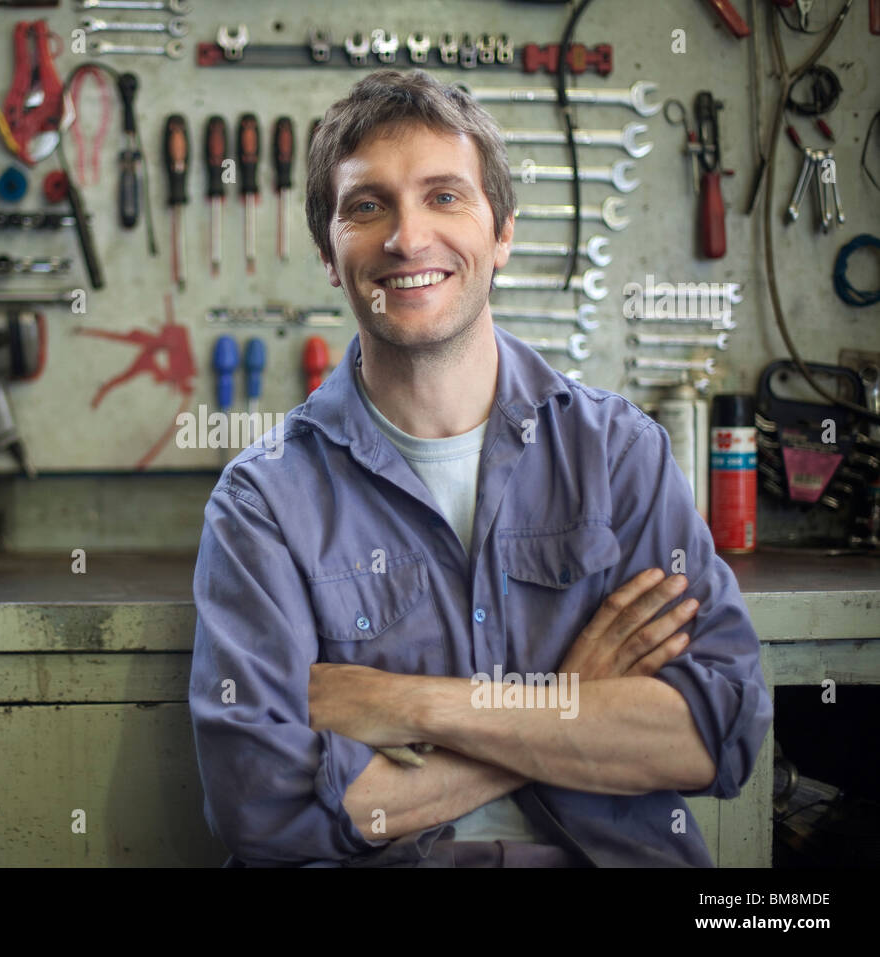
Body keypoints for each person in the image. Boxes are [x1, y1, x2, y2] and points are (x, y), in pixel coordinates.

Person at [188, 70, 772, 868]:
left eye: (445, 196)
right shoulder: (264, 501)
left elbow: (720, 730)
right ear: (330, 252)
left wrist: (409, 705)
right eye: (367, 206)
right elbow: (263, 809)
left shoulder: (619, 453)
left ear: (502, 233)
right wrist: (572, 700)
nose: (407, 237)